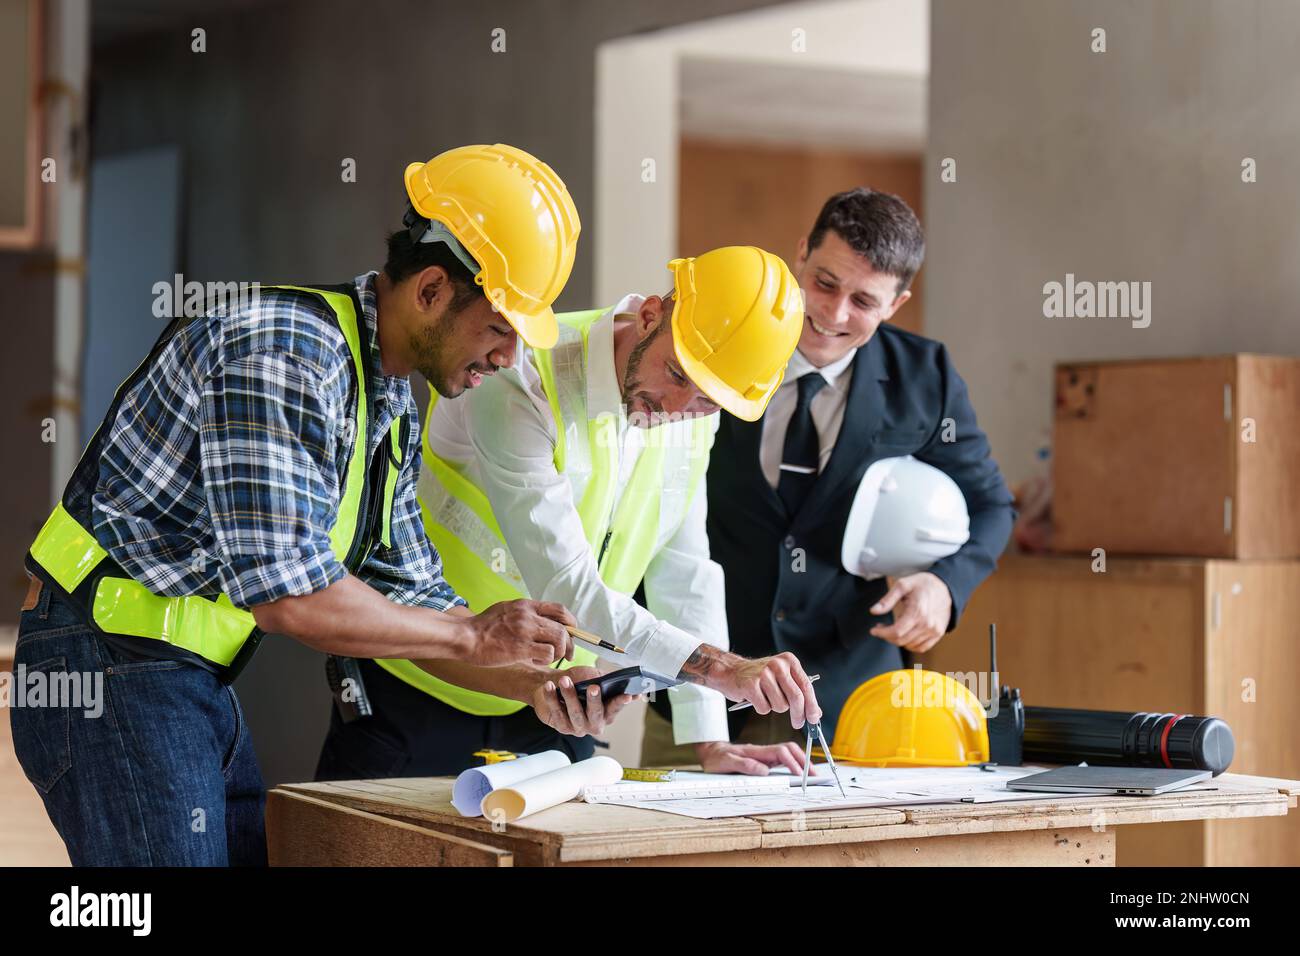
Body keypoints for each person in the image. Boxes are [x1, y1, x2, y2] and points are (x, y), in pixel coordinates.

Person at [13, 143, 583, 865]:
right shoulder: (285, 352)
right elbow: (293, 598)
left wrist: (540, 686)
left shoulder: (387, 406)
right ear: (433, 289)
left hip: (180, 675)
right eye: (500, 327)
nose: (508, 358)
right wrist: (477, 638)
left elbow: (422, 601)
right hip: (105, 663)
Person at [316, 246, 821, 780]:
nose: (678, 407)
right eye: (677, 372)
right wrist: (722, 669)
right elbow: (566, 585)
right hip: (419, 682)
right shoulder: (520, 374)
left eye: (709, 399)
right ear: (650, 314)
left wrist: (710, 739)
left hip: (551, 698)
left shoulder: (694, 417)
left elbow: (685, 567)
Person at [640, 188, 1016, 765]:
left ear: (898, 302)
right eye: (825, 283)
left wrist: (944, 586)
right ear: (800, 255)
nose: (833, 314)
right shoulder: (723, 338)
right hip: (699, 690)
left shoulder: (926, 376)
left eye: (864, 300)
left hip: (850, 706)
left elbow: (991, 505)